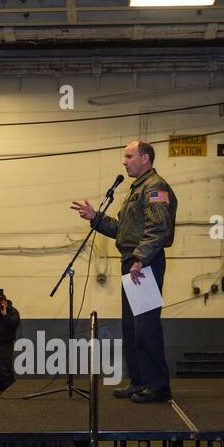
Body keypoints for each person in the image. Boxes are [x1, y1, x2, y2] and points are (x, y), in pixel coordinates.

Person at [71, 139, 177, 403]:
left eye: (129, 156)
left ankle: (158, 386)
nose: (124, 161)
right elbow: (123, 231)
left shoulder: (155, 187)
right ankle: (139, 381)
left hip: (144, 263)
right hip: (133, 261)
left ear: (146, 159)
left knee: (146, 326)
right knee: (132, 327)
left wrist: (141, 258)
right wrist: (95, 218)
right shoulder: (135, 190)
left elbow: (159, 229)